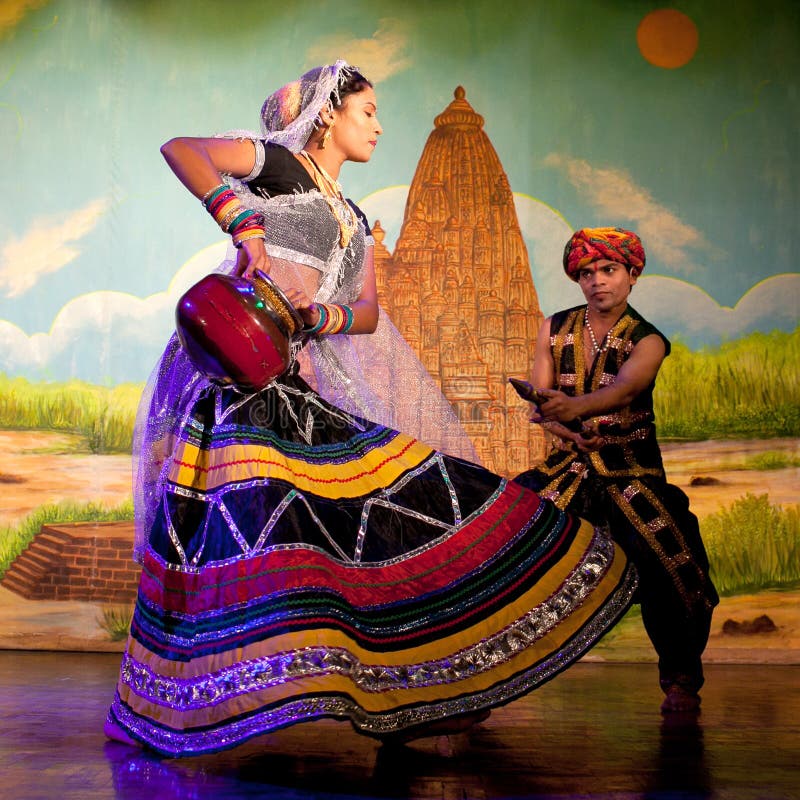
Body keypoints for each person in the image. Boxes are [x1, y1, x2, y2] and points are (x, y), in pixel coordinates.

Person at [104, 63, 637, 757]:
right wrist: (249, 234)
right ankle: (185, 699)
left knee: (386, 506)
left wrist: (318, 312)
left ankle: (413, 687)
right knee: (229, 535)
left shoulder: (352, 218)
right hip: (236, 375)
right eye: (368, 110)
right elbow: (184, 150)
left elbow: (367, 313)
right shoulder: (280, 168)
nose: (380, 126)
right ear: (328, 114)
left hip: (292, 381)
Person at [514, 227, 719, 714]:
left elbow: (625, 391)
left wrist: (573, 408)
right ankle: (476, 681)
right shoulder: (554, 327)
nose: (597, 282)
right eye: (587, 273)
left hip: (633, 477)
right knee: (502, 537)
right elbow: (541, 407)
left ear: (632, 274)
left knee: (675, 563)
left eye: (609, 270)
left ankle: (681, 678)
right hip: (569, 471)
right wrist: (568, 429)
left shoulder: (649, 340)